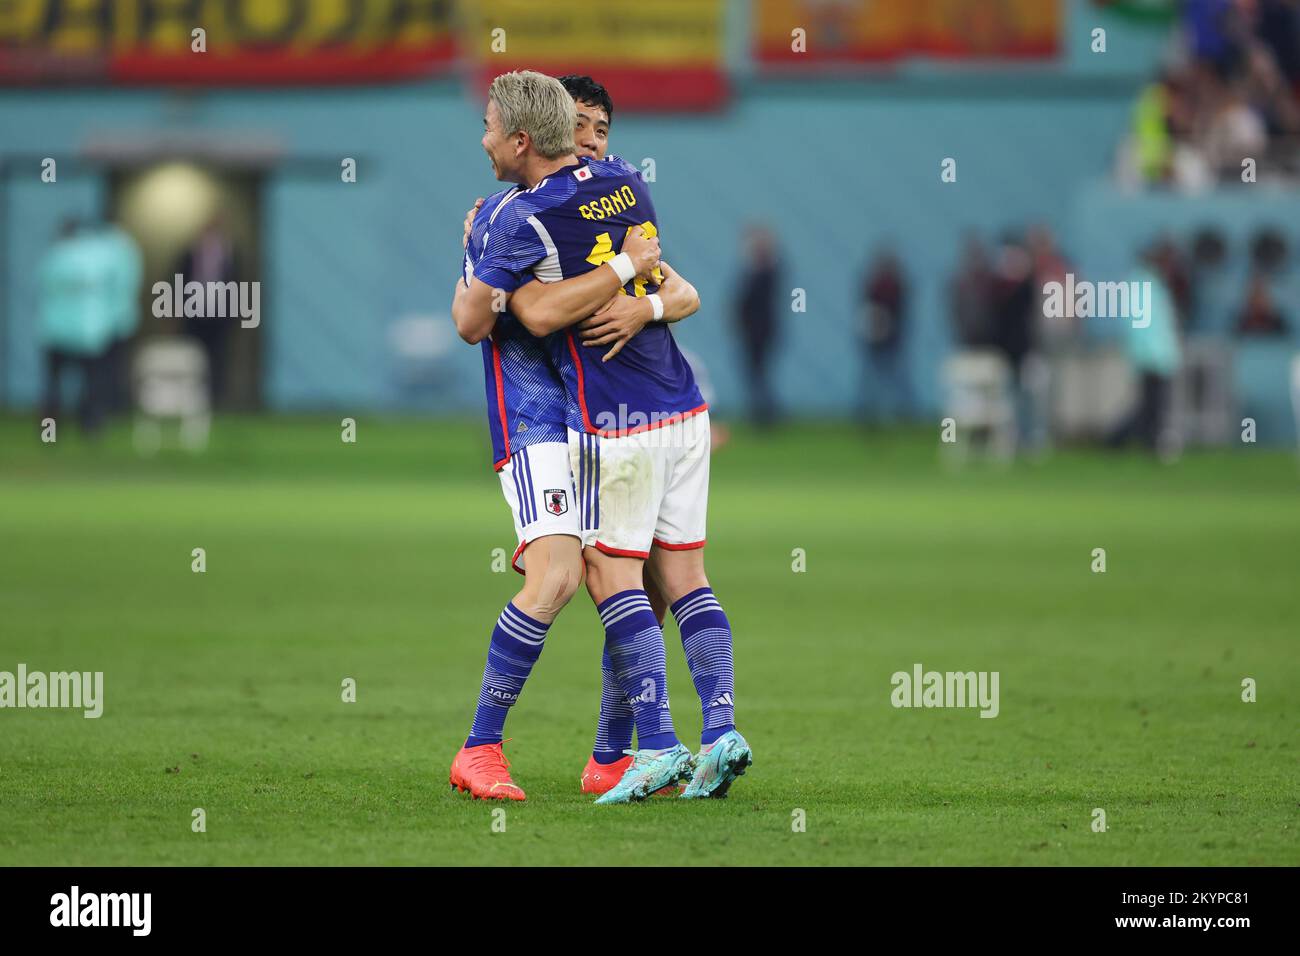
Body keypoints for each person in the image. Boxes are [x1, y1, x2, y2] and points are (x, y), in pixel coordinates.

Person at [39, 219, 115, 437]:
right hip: (87, 332)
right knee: (91, 384)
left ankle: (49, 432)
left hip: (57, 331)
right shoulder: (96, 257)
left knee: (53, 386)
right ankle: (90, 428)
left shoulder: (54, 256)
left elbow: (44, 286)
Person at [733, 225, 781, 427]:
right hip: (753, 330)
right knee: (756, 374)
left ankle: (766, 415)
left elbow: (753, 300)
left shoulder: (767, 272)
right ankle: (763, 414)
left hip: (760, 331)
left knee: (759, 373)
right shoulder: (757, 271)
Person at [858, 245, 911, 424]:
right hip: (874, 340)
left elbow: (900, 314)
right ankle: (869, 414)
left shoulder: (897, 286)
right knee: (874, 380)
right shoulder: (873, 285)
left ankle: (902, 414)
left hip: (892, 340)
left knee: (894, 378)